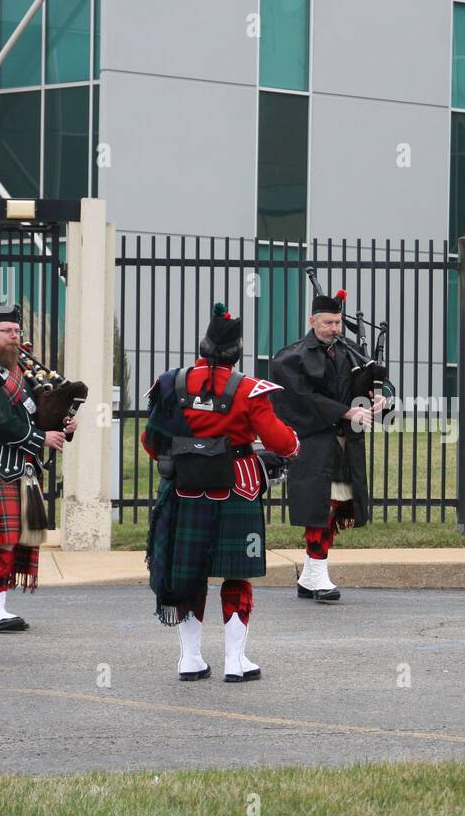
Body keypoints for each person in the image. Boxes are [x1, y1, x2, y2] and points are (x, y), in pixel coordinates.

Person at [142, 303, 299, 682]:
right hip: (237, 487)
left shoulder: (170, 382)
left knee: (189, 575)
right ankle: (235, 662)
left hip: (183, 489)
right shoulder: (249, 389)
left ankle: (190, 659)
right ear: (236, 352)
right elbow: (281, 441)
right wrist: (293, 444)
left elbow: (151, 442)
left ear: (203, 346)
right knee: (236, 575)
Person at [0, 302, 74, 632]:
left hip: (17, 466)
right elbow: (0, 420)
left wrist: (62, 425)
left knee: (13, 538)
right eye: (7, 332)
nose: (14, 337)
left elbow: (33, 414)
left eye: (16, 331)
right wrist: (40, 438)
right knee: (2, 539)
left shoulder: (17, 372)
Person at [270, 289, 384, 602]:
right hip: (314, 444)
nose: (334, 328)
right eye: (327, 322)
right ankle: (319, 573)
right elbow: (300, 398)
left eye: (337, 322)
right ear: (312, 321)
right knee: (321, 508)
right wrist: (345, 411)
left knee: (334, 509)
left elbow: (363, 387)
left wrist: (379, 398)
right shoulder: (291, 357)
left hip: (344, 444)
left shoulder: (348, 353)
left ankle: (310, 575)